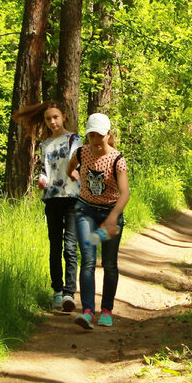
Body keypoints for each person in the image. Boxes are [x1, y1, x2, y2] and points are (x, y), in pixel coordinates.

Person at [12, 101, 80, 312]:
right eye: (49, 118)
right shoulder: (44, 144)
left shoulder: (73, 139)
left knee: (70, 247)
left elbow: (76, 161)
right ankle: (57, 292)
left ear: (64, 117)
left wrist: (73, 172)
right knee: (54, 247)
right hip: (51, 199)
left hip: (72, 198)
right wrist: (41, 179)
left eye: (56, 117)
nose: (52, 121)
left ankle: (69, 293)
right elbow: (45, 169)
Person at [65, 112, 130, 330]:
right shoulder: (82, 153)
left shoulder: (117, 160)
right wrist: (73, 174)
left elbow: (125, 193)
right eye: (91, 135)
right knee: (89, 260)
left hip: (111, 213)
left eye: (99, 135)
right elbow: (70, 167)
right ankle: (87, 312)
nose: (95, 140)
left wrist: (113, 218)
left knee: (109, 263)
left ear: (108, 135)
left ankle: (106, 310)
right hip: (85, 211)